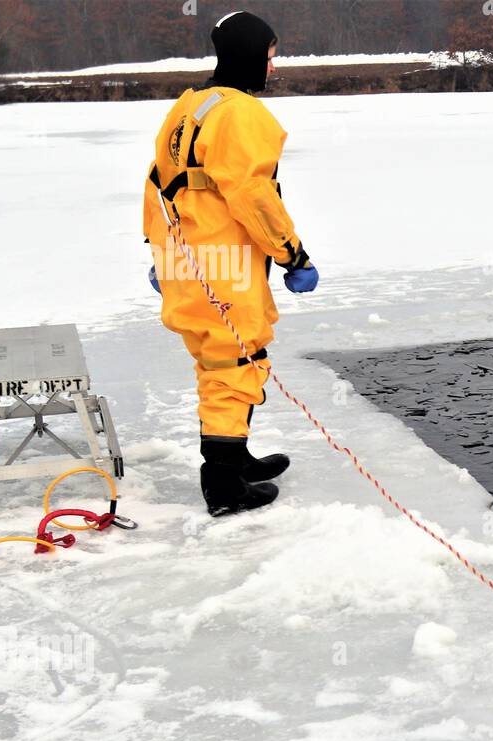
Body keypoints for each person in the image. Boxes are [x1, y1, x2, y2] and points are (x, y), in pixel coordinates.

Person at [143, 11, 319, 516]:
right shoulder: (240, 114)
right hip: (223, 265)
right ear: (249, 56)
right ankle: (223, 485)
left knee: (218, 362)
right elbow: (253, 196)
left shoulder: (190, 105)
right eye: (269, 56)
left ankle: (234, 457)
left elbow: (156, 182)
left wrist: (158, 253)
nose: (273, 67)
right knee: (235, 365)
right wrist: (293, 254)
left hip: (185, 258)